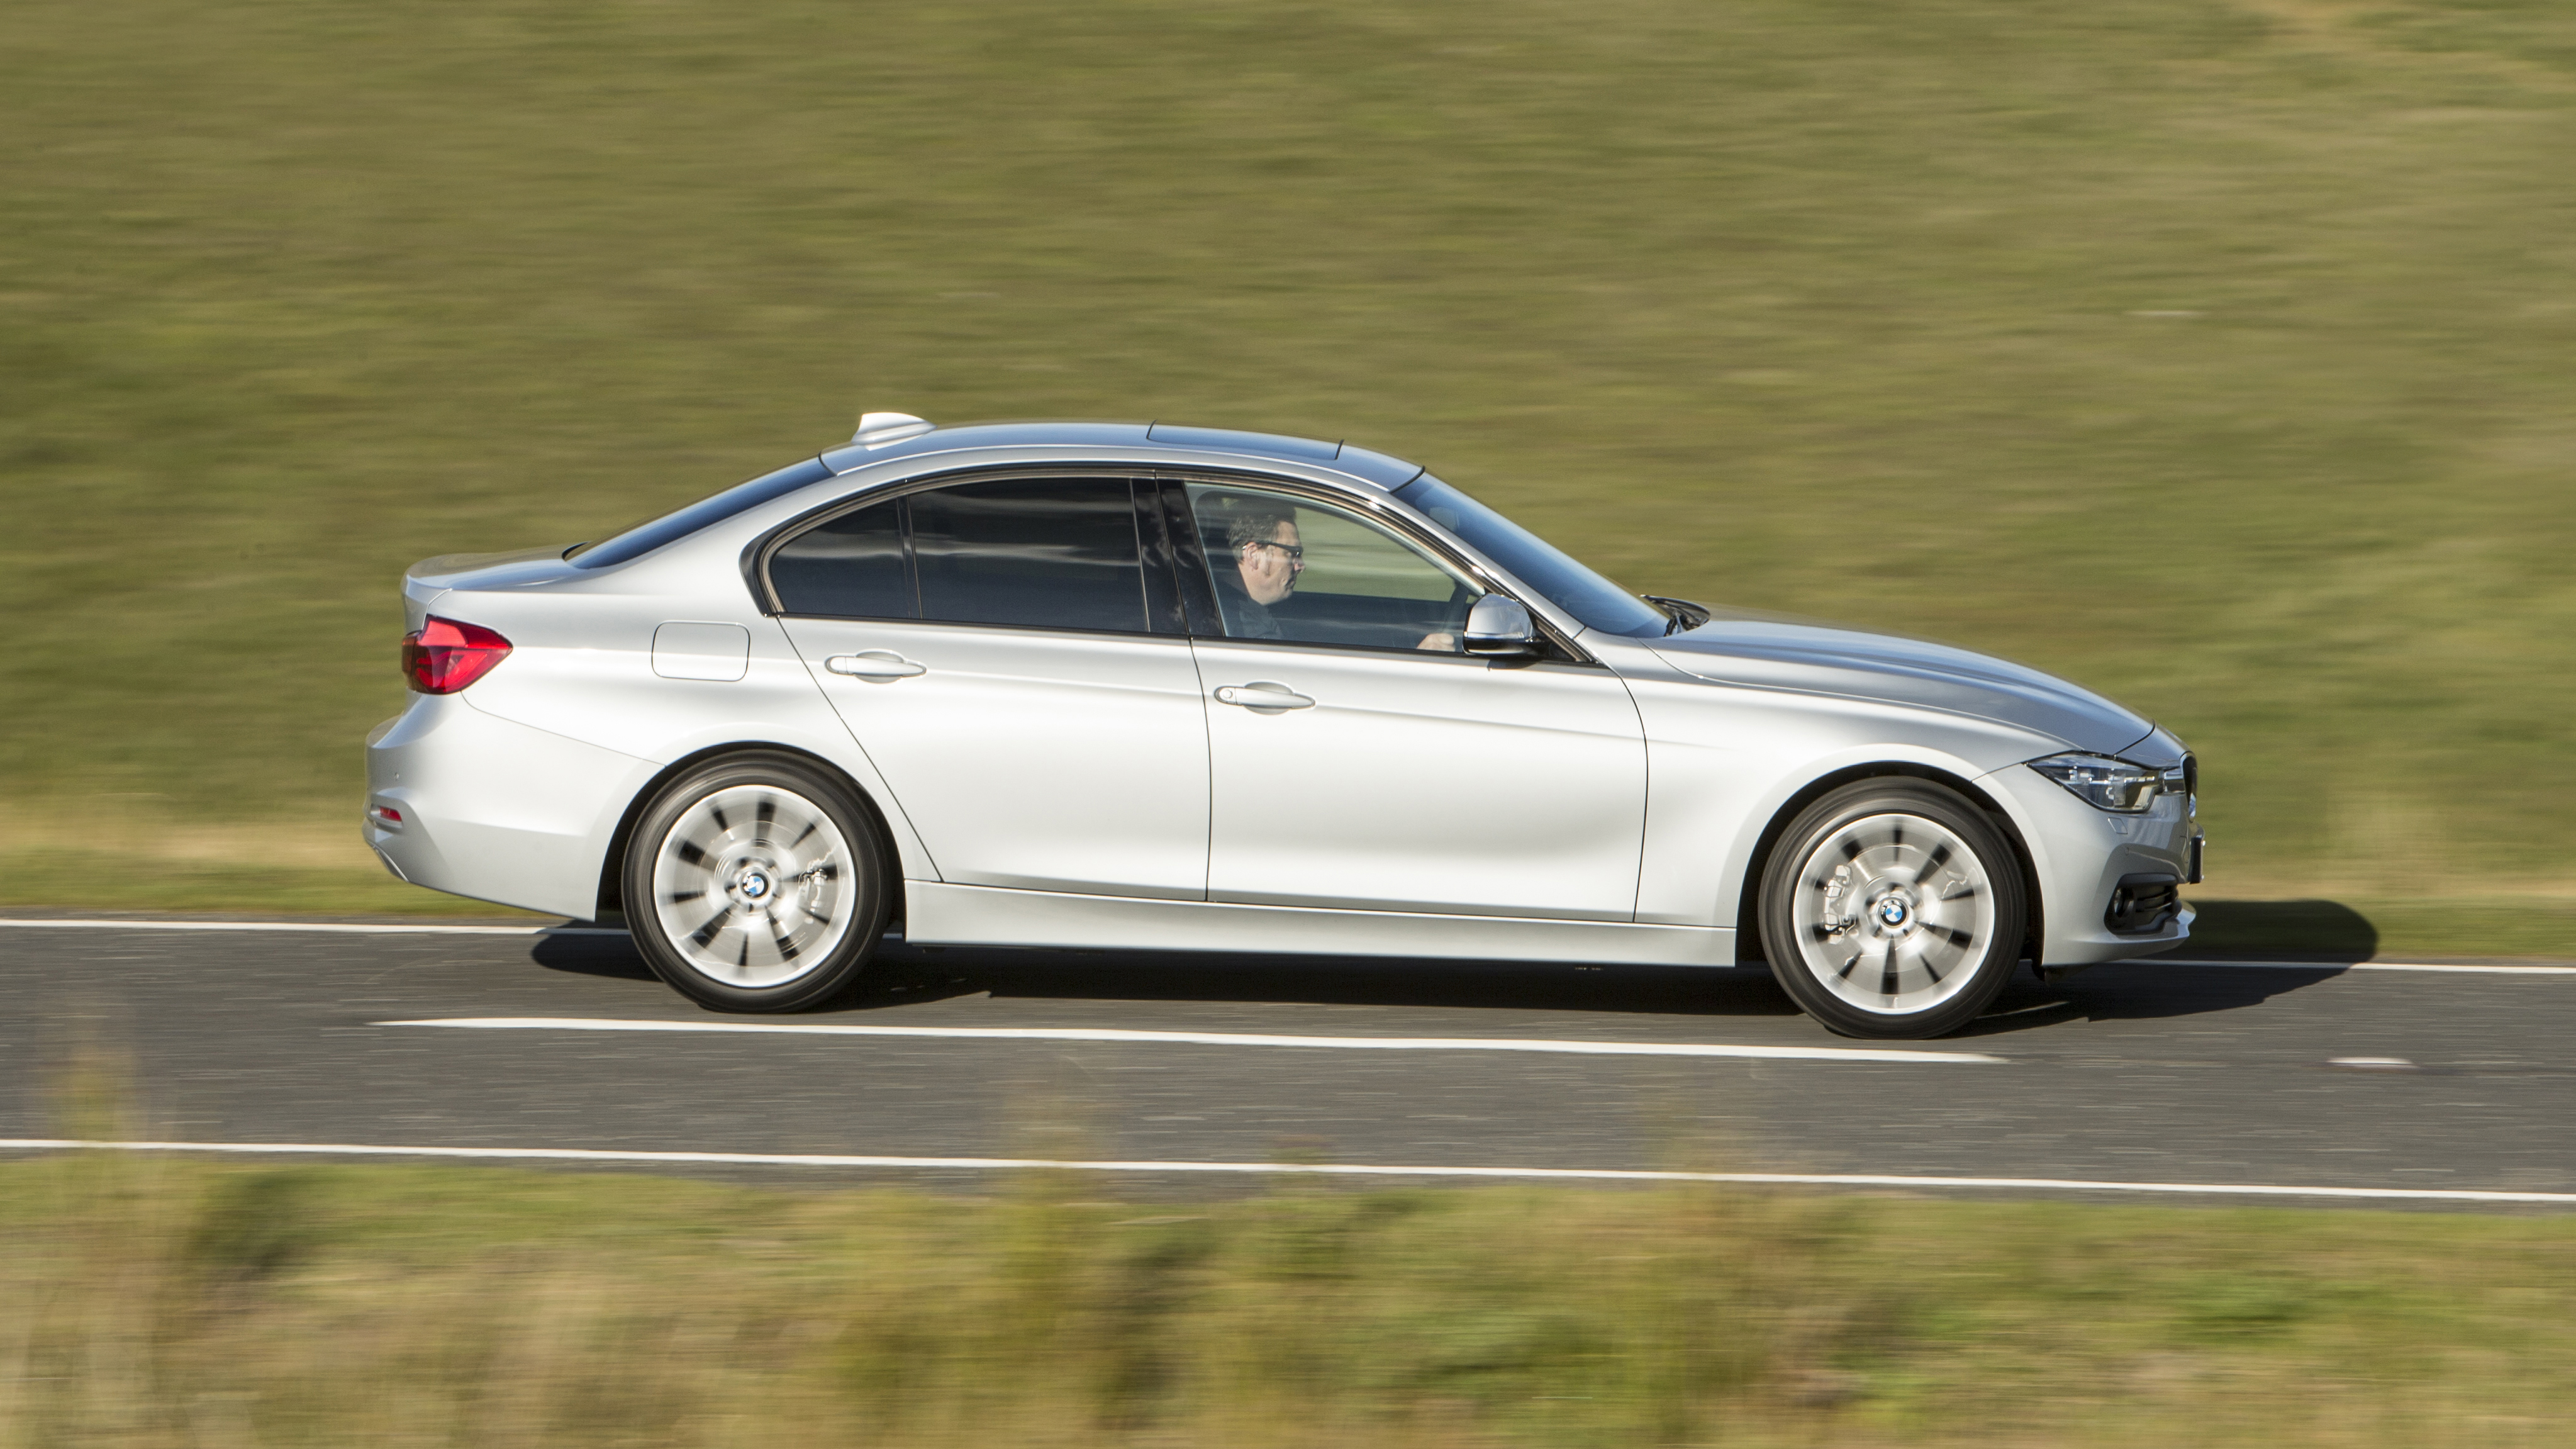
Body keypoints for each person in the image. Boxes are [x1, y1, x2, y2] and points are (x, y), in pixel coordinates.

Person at [1210, 505, 1458, 651]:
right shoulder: (1245, 631)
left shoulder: (1237, 614)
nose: (1301, 565)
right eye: (1293, 553)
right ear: (1254, 555)